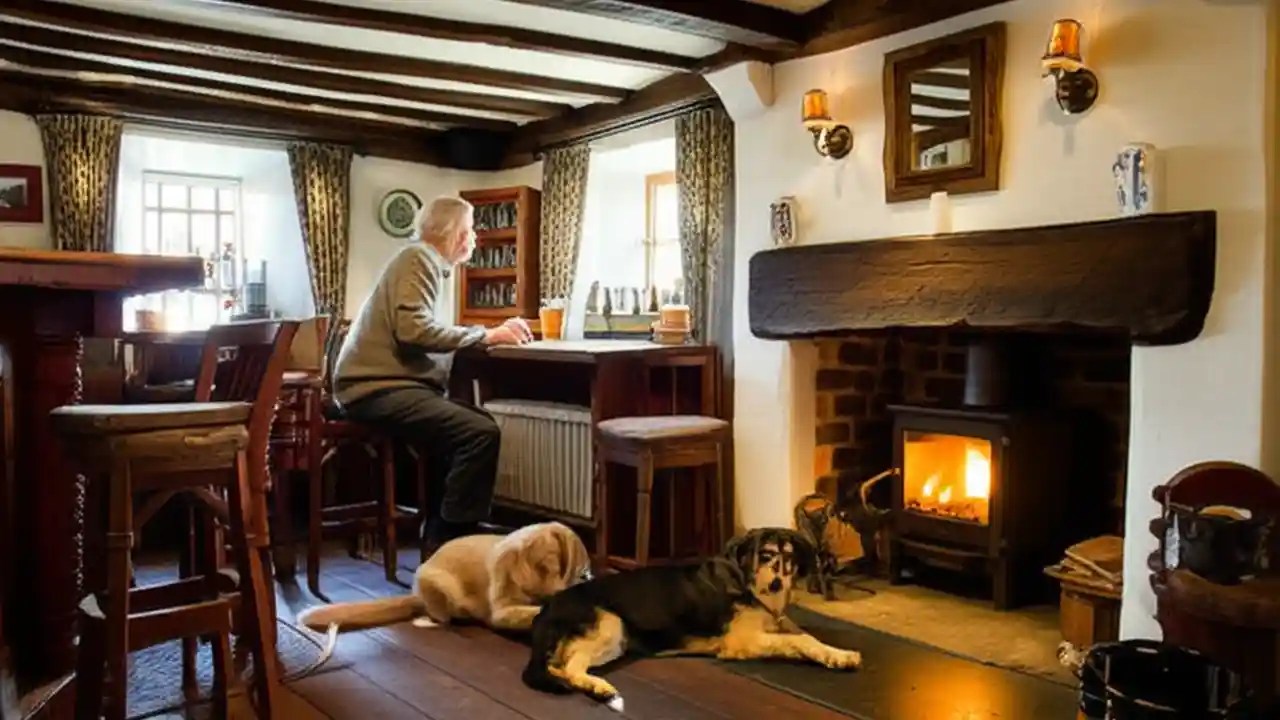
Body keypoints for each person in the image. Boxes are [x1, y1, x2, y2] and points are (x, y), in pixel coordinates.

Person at [332, 195, 533, 550]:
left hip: (380, 387)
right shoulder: (419, 258)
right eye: (470, 231)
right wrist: (486, 334)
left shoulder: (423, 262)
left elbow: (418, 328)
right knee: (478, 432)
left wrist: (486, 335)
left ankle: (440, 541)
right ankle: (455, 539)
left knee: (465, 428)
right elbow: (413, 330)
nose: (473, 239)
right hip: (375, 389)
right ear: (456, 234)